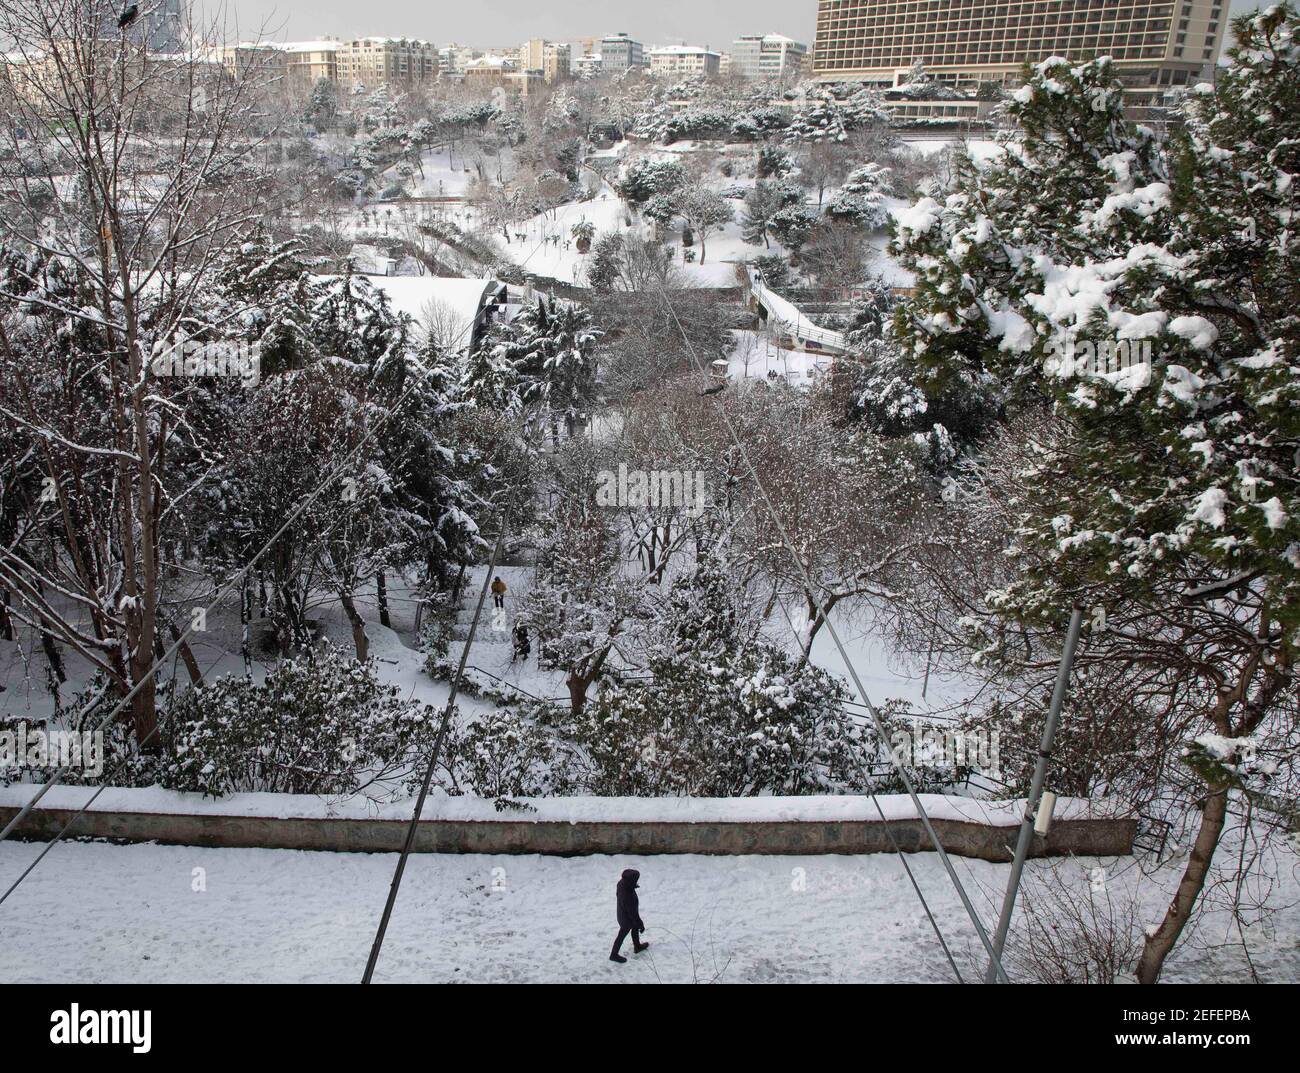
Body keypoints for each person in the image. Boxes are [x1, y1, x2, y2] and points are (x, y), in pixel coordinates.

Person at [609, 868, 648, 963]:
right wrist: (641, 924)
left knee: (634, 928)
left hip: (622, 913)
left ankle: (637, 946)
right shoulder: (628, 895)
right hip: (626, 919)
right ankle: (613, 955)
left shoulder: (621, 884)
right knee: (622, 935)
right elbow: (633, 914)